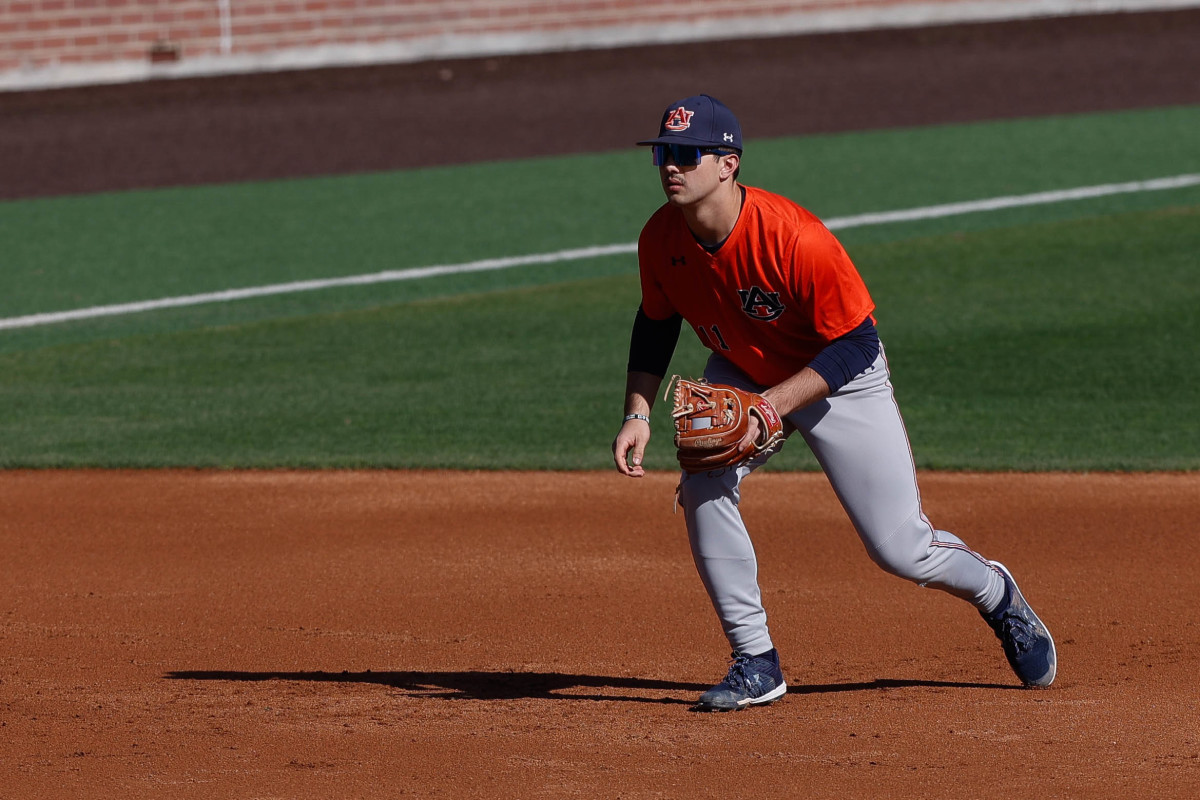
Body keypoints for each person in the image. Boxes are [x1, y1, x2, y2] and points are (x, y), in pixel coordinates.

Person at [612, 94, 1056, 712]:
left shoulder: (796, 238)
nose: (670, 166)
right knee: (705, 474)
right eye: (663, 152)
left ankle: (994, 591)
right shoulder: (660, 238)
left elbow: (856, 342)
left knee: (900, 549)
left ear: (728, 163)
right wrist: (637, 412)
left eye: (687, 153)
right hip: (744, 366)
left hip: (839, 377)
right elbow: (655, 322)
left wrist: (773, 405)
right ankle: (755, 662)